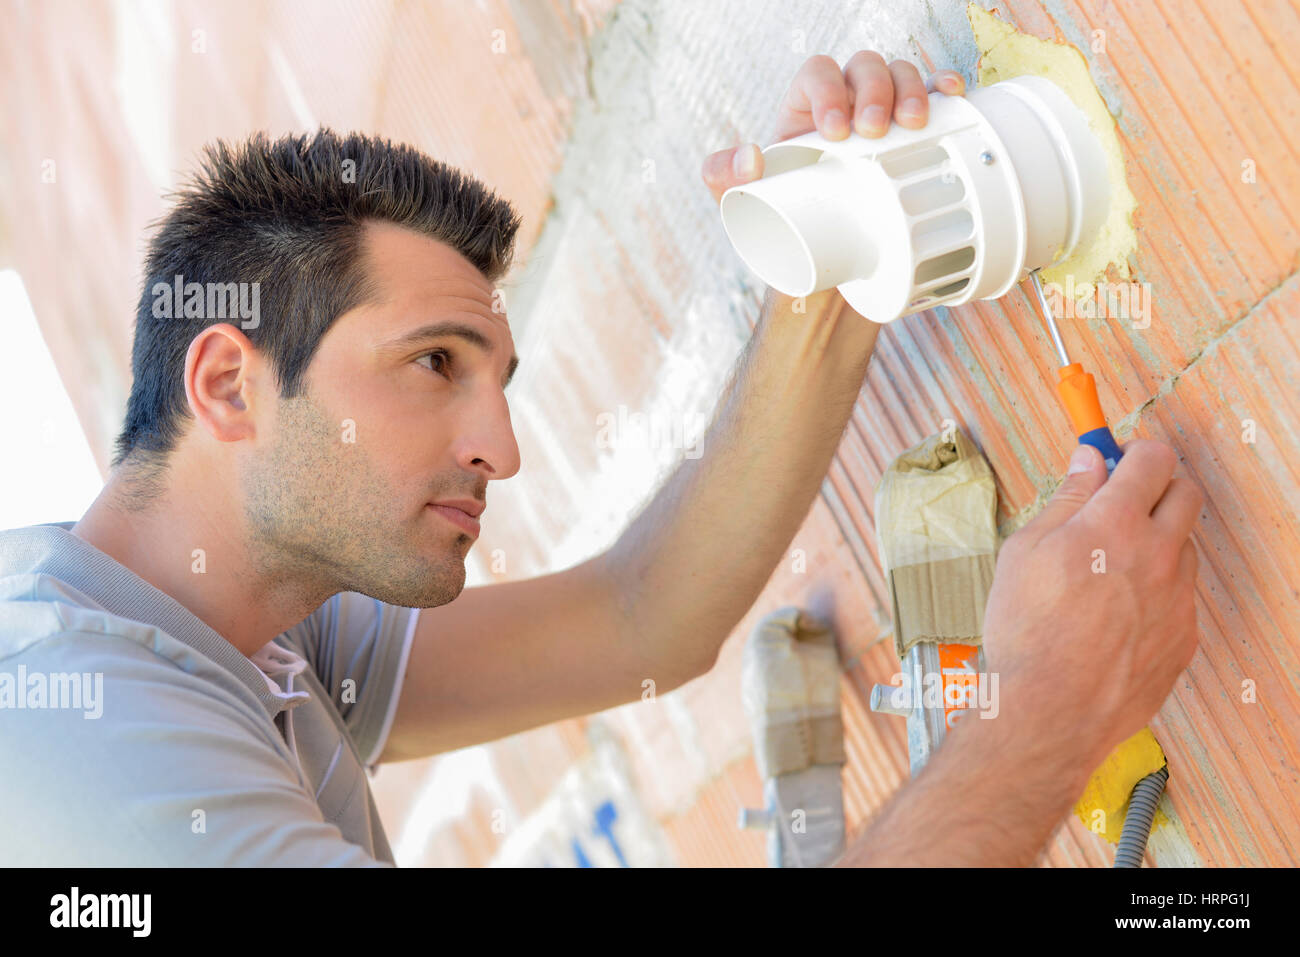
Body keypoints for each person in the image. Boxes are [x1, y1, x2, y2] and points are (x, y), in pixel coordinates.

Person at [0, 51, 1200, 867]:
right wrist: (1048, 706)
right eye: (433, 364)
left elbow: (641, 623)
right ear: (228, 383)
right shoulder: (82, 752)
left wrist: (833, 261)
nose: (501, 449)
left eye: (499, 383)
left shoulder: (246, 619)